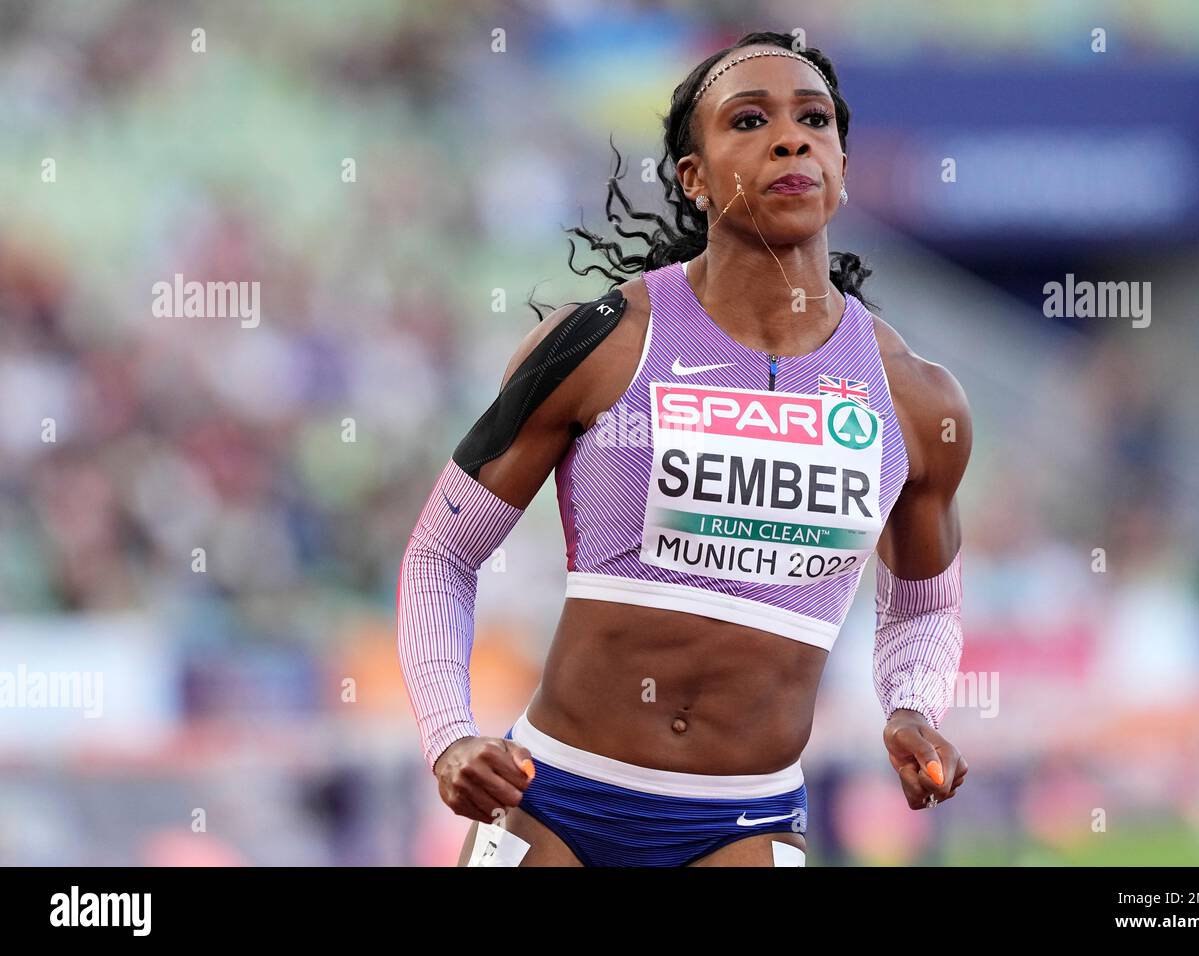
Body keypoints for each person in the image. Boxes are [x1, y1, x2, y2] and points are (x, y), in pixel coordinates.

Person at [398, 31, 971, 868]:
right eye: (750, 119)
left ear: (842, 164)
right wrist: (449, 736)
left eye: (814, 119)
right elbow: (441, 555)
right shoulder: (600, 344)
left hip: (745, 821)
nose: (790, 138)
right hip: (552, 799)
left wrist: (911, 707)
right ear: (693, 178)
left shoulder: (916, 398)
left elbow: (923, 604)